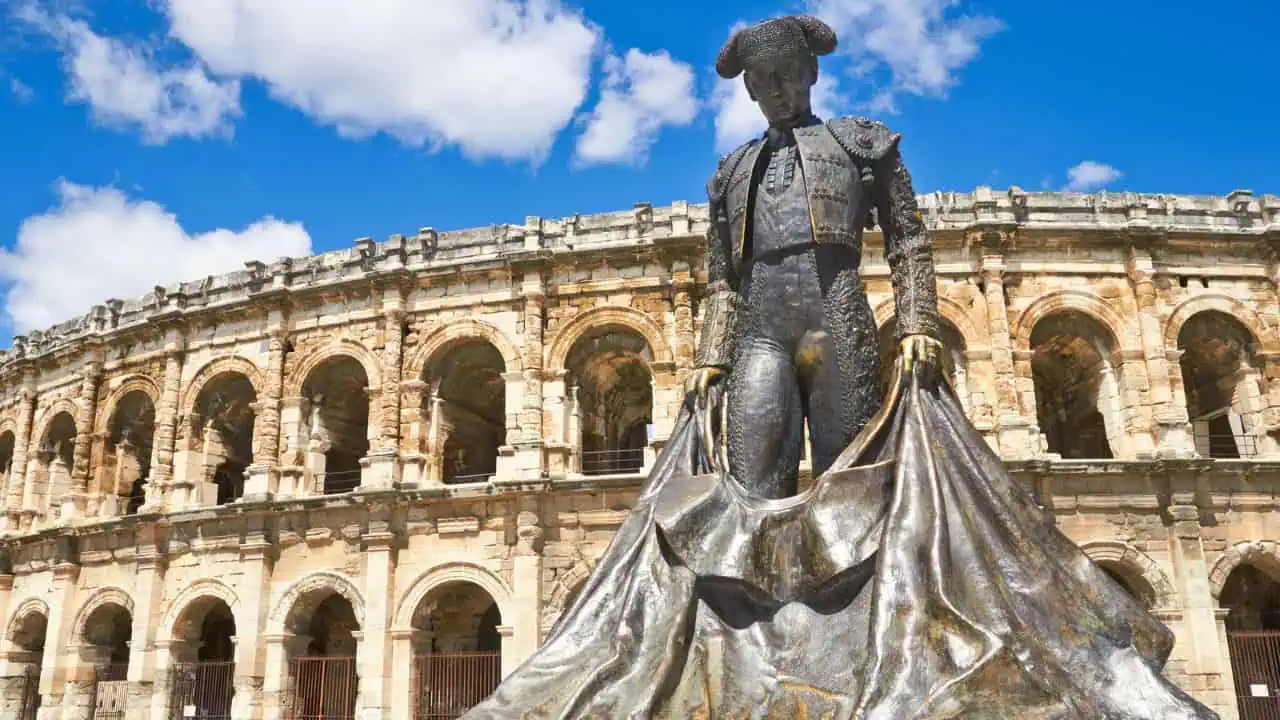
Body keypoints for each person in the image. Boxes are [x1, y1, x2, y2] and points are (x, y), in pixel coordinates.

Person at [688, 14, 942, 498]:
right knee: (751, 485)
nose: (777, 91)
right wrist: (712, 357)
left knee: (848, 485)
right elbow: (722, 280)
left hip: (836, 317)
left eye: (786, 73)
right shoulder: (732, 173)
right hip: (759, 335)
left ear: (812, 71)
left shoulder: (861, 145)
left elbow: (908, 240)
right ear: (748, 91)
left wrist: (918, 323)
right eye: (762, 82)